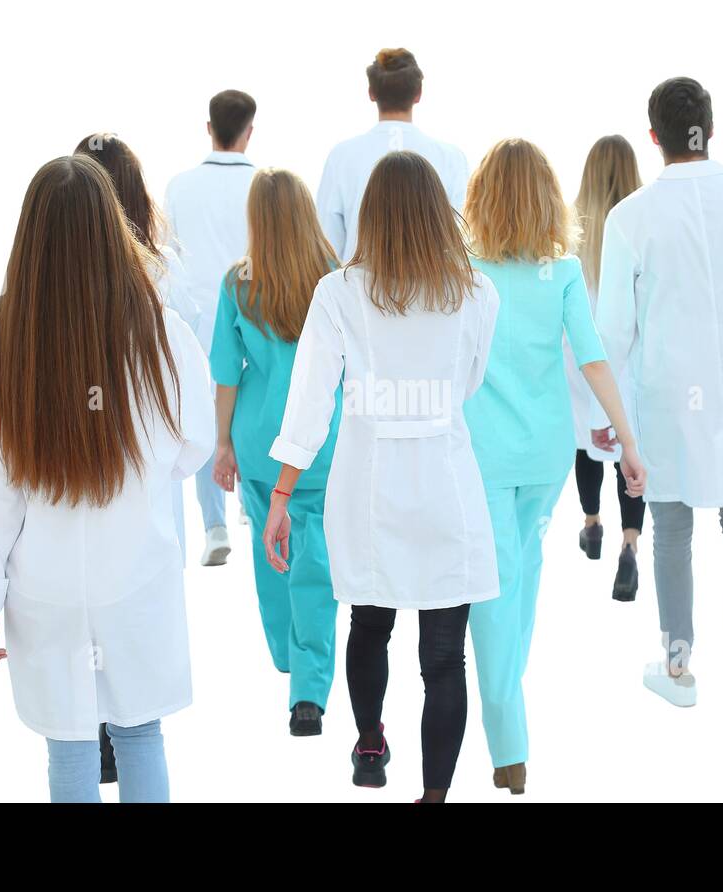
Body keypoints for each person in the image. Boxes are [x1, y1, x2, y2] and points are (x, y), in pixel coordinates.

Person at [0, 154, 215, 803]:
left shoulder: (2, 346)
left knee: (70, 746)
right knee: (138, 734)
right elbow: (194, 447)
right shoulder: (159, 333)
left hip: (44, 589)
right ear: (112, 230)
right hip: (137, 576)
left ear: (32, 238)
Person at [264, 152, 500, 803]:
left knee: (369, 626)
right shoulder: (477, 292)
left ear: (372, 216)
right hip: (446, 489)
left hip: (368, 491)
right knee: (444, 657)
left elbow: (310, 400)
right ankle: (433, 797)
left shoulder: (339, 292)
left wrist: (282, 494)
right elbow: (468, 386)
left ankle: (370, 742)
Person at [591, 77, 723, 730]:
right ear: (710, 128)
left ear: (654, 137)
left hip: (664, 399)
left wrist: (612, 423)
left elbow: (612, 336)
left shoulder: (630, 218)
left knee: (672, 530)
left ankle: (679, 667)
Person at [463, 139, 646, 794]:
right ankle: (508, 709)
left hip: (482, 453)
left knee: (496, 581)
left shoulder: (464, 267)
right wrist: (628, 441)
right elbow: (594, 358)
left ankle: (507, 735)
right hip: (544, 453)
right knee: (522, 571)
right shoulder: (563, 270)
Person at [74, 131, 203, 784]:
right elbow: (191, 403)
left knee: (75, 629)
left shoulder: (50, 276)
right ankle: (120, 729)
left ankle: (92, 734)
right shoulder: (164, 271)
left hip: (65, 480)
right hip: (145, 480)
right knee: (136, 666)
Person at [209, 169, 343, 736]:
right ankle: (308, 686)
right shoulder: (335, 279)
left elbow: (225, 374)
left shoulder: (238, 285)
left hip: (261, 443)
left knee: (273, 559)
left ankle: (290, 660)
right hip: (324, 444)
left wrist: (221, 444)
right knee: (316, 565)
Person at [164, 89, 258, 567]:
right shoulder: (264, 184)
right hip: (254, 310)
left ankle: (215, 523)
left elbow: (167, 256)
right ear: (250, 130)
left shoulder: (179, 187)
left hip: (198, 316)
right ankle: (252, 504)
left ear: (208, 128)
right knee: (253, 403)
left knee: (206, 416)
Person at [569, 135, 646, 601]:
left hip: (581, 355)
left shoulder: (570, 228)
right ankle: (630, 543)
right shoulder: (641, 221)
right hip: (632, 357)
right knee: (630, 452)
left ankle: (592, 523)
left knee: (587, 442)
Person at [317, 48, 468, 262]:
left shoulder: (341, 156)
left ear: (371, 92)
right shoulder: (451, 157)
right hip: (435, 290)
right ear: (418, 94)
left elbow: (328, 241)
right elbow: (459, 238)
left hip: (357, 290)